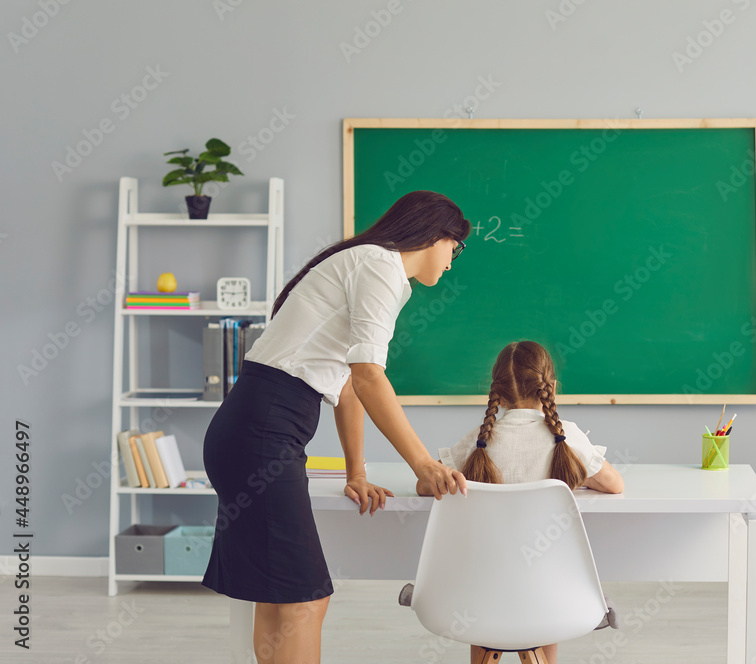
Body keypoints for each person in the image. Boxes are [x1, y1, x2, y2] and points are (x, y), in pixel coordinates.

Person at [201, 190, 471, 664]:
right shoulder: (380, 266)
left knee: (280, 595)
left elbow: (347, 386)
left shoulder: (369, 264)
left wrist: (357, 473)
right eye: (455, 248)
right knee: (306, 597)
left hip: (250, 430)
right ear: (435, 237)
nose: (452, 262)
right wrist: (424, 464)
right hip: (263, 432)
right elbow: (368, 376)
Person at [419, 340, 624, 664]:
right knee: (548, 578)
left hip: (476, 600)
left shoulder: (478, 442)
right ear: (551, 388)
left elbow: (424, 483)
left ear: (496, 394)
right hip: (552, 600)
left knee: (482, 575)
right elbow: (615, 484)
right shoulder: (567, 437)